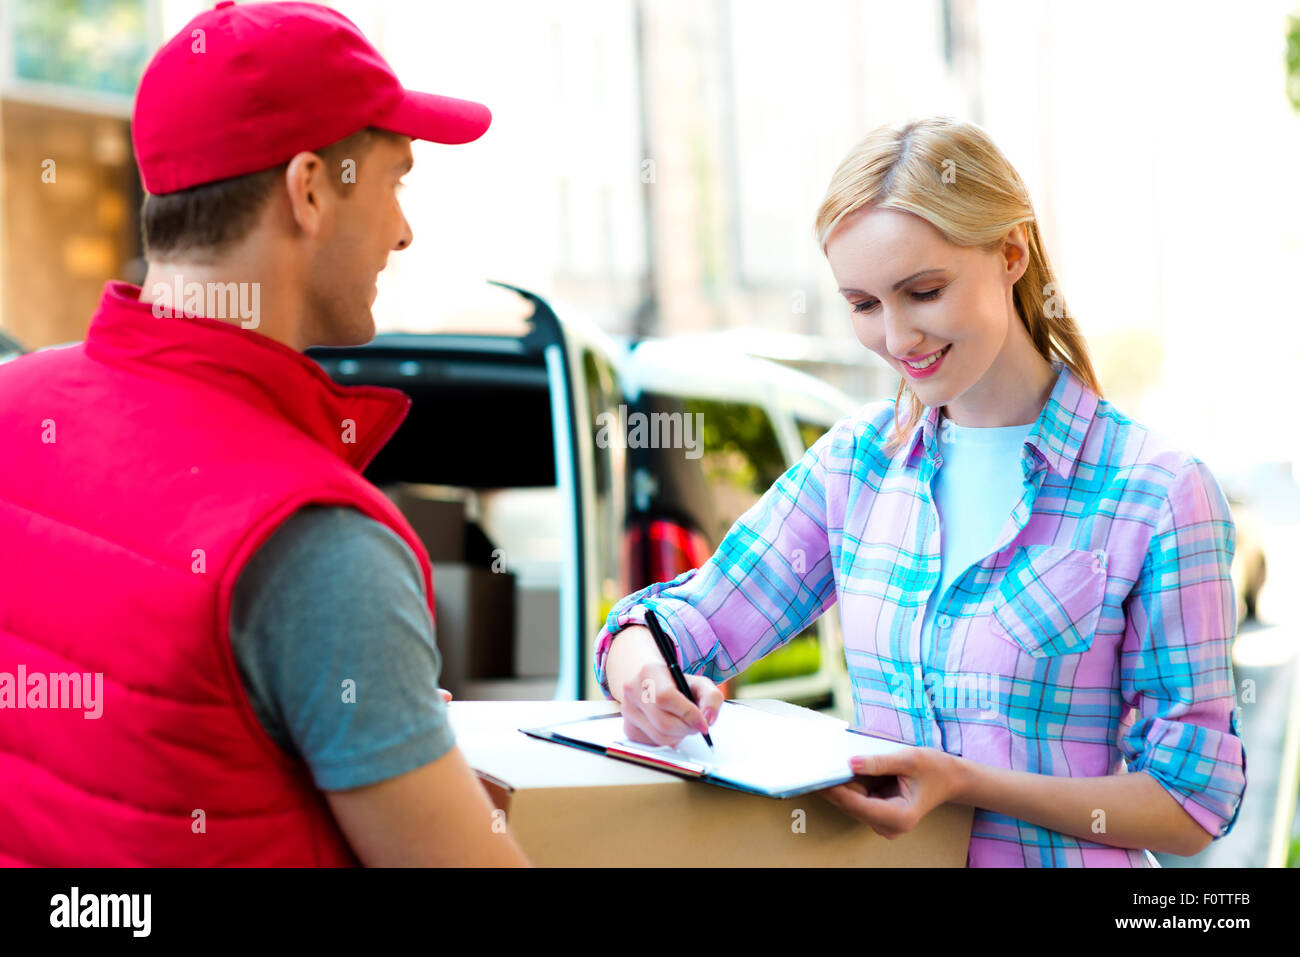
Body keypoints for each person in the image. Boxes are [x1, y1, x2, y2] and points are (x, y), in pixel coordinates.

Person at [593, 116, 1247, 867]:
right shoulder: (855, 467)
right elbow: (676, 621)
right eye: (864, 304)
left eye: (924, 291)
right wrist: (642, 669)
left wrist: (967, 784)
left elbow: (1194, 801)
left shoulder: (1158, 492)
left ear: (1010, 251)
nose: (898, 337)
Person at [0, 1, 529, 866]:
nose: (403, 230)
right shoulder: (316, 539)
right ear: (311, 190)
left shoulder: (11, 408)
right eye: (396, 179)